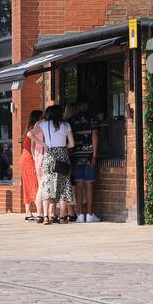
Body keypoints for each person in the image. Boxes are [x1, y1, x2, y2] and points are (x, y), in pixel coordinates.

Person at [37, 103, 74, 225]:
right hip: (63, 154)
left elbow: (29, 134)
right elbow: (72, 144)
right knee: (63, 185)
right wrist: (63, 148)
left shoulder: (43, 124)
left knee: (47, 184)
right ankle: (63, 217)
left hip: (50, 155)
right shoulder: (66, 125)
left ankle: (46, 216)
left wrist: (44, 145)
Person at [69, 95, 100, 223]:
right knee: (89, 184)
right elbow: (95, 136)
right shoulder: (92, 118)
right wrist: (94, 154)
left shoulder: (71, 120)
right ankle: (90, 213)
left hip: (76, 156)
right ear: (85, 105)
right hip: (88, 155)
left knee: (78, 185)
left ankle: (80, 214)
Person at [17, 110, 43, 221]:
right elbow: (31, 147)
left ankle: (28, 212)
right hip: (29, 158)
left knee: (28, 185)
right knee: (34, 185)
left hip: (24, 157)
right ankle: (37, 213)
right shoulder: (35, 128)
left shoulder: (30, 127)